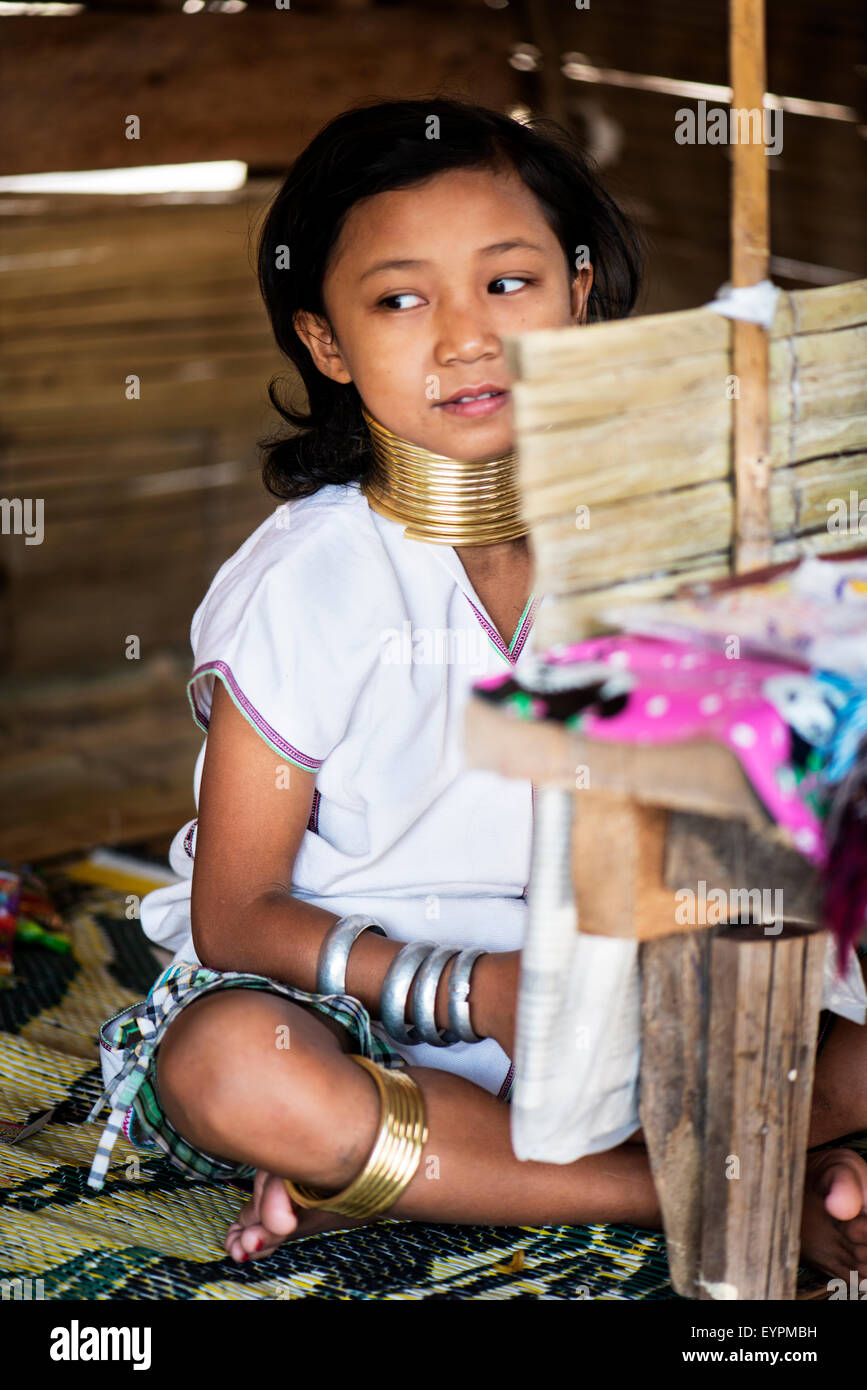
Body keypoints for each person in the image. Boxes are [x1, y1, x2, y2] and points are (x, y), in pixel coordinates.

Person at [84, 96, 867, 1283]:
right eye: (401, 299)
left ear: (584, 289)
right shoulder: (309, 579)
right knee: (230, 1067)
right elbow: (237, 912)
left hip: (627, 1004)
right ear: (326, 343)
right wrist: (476, 991)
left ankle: (426, 1177)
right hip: (361, 1012)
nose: (465, 337)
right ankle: (703, 1185)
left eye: (509, 283)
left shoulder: (654, 538)